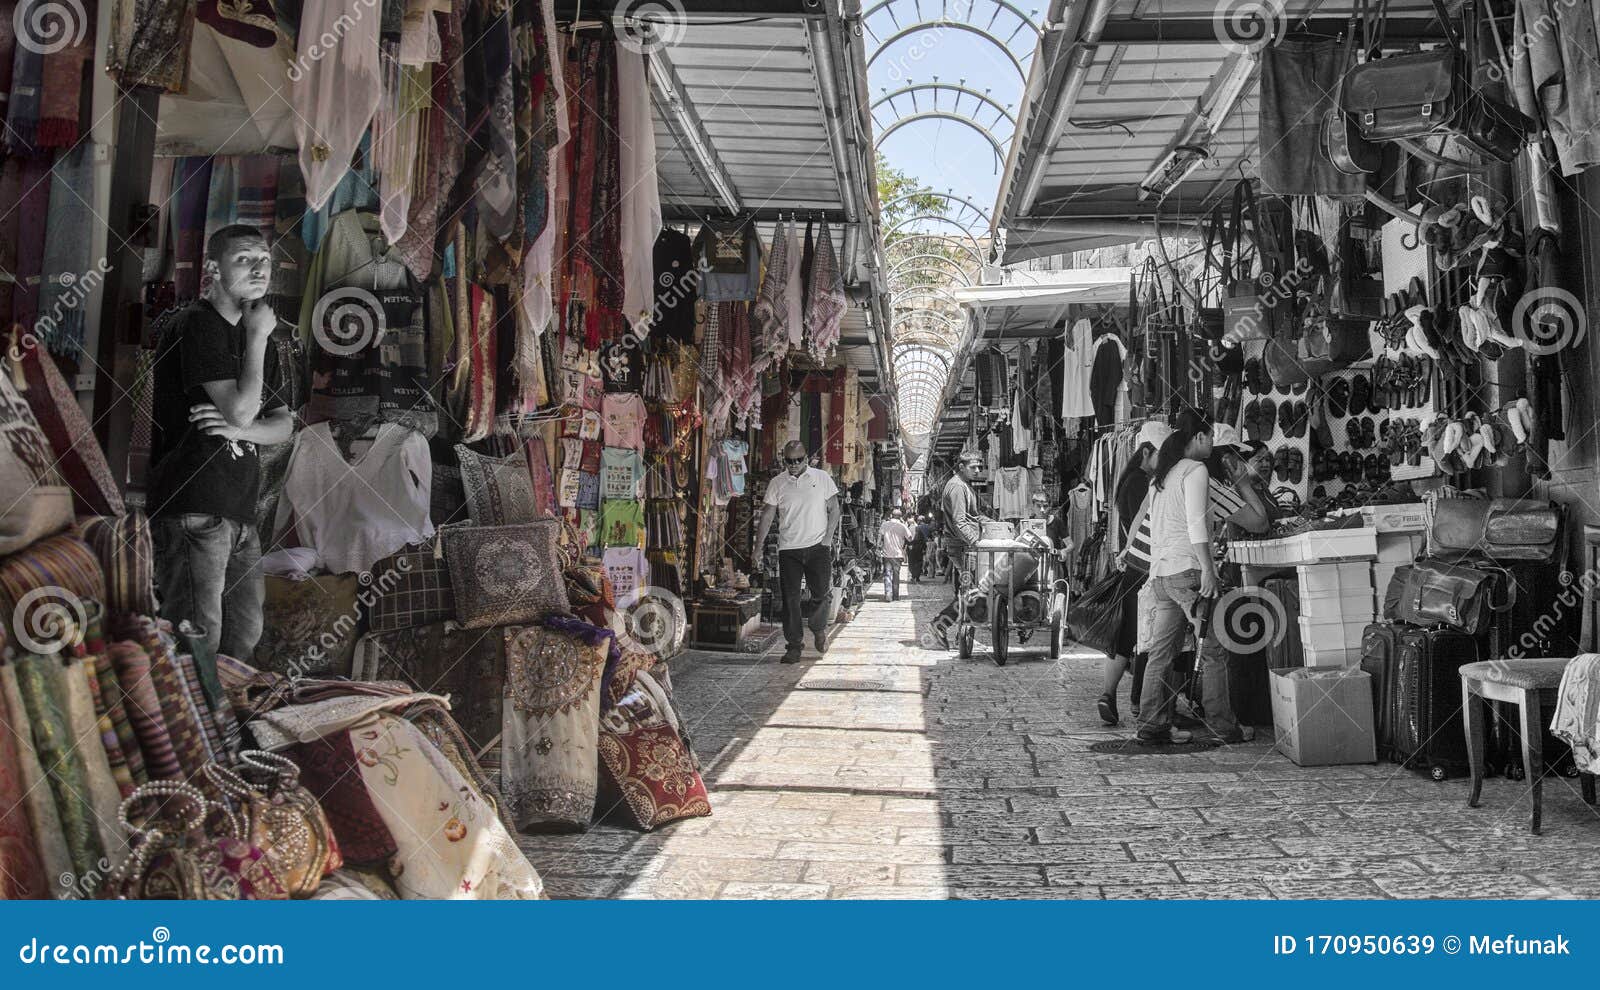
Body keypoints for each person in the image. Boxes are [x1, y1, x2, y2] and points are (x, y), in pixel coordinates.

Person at [147, 224, 295, 661]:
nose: (259, 268)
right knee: (198, 637)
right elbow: (241, 409)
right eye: (244, 258)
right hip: (193, 501)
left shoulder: (256, 335)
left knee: (244, 636)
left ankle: (225, 727)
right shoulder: (197, 324)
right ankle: (187, 728)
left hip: (238, 508)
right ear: (213, 267)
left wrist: (239, 430)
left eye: (264, 258)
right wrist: (257, 340)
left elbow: (283, 426)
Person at [1135, 413, 1268, 745]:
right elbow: (1196, 524)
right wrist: (1208, 570)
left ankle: (1152, 725)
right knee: (1214, 650)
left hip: (1164, 573)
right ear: (1197, 438)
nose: (1211, 443)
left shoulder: (1161, 477)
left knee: (1161, 652)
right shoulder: (1195, 471)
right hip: (1189, 572)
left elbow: (1160, 531)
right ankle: (1224, 727)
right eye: (1208, 437)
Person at [1096, 420, 1171, 726]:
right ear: (1147, 452)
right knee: (1147, 637)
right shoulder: (1143, 482)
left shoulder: (1129, 480)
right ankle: (1139, 701)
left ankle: (1108, 694)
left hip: (1133, 567)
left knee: (1126, 637)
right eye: (1161, 455)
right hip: (1145, 566)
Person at [756, 440, 842, 663]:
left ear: (806, 458)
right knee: (790, 599)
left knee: (821, 594)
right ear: (783, 460)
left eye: (798, 460)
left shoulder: (821, 478)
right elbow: (767, 516)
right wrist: (758, 547)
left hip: (818, 548)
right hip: (789, 549)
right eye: (788, 461)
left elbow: (834, 510)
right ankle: (794, 645)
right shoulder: (777, 483)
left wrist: (827, 539)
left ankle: (818, 628)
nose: (793, 465)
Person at [930, 451, 990, 648]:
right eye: (973, 467)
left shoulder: (965, 486)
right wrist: (976, 542)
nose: (978, 470)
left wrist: (992, 523)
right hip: (963, 548)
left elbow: (972, 517)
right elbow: (959, 521)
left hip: (965, 546)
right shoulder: (957, 487)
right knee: (972, 591)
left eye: (979, 467)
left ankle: (962, 636)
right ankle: (943, 625)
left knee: (968, 590)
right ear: (961, 467)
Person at [877, 507, 913, 602]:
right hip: (897, 554)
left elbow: (879, 536)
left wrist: (878, 546)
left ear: (891, 515)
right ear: (900, 517)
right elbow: (910, 538)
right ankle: (896, 595)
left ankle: (888, 594)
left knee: (887, 574)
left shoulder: (885, 524)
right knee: (896, 575)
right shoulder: (902, 526)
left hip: (887, 554)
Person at [907, 514, 931, 583]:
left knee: (912, 562)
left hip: (914, 548)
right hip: (922, 547)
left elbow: (909, 539)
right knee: (920, 562)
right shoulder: (927, 527)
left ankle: (914, 575)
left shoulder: (916, 528)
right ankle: (917, 575)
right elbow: (928, 537)